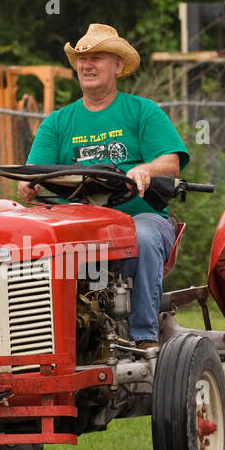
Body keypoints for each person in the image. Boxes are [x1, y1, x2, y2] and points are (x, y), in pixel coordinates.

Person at [18, 23, 189, 348]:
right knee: (21, 237)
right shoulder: (57, 122)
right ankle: (39, 341)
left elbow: (171, 161)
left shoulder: (142, 111)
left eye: (97, 57)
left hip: (141, 217)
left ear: (118, 66)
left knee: (142, 234)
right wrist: (28, 188)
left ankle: (143, 339)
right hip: (75, 224)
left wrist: (144, 169)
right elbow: (32, 174)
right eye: (82, 58)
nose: (87, 64)